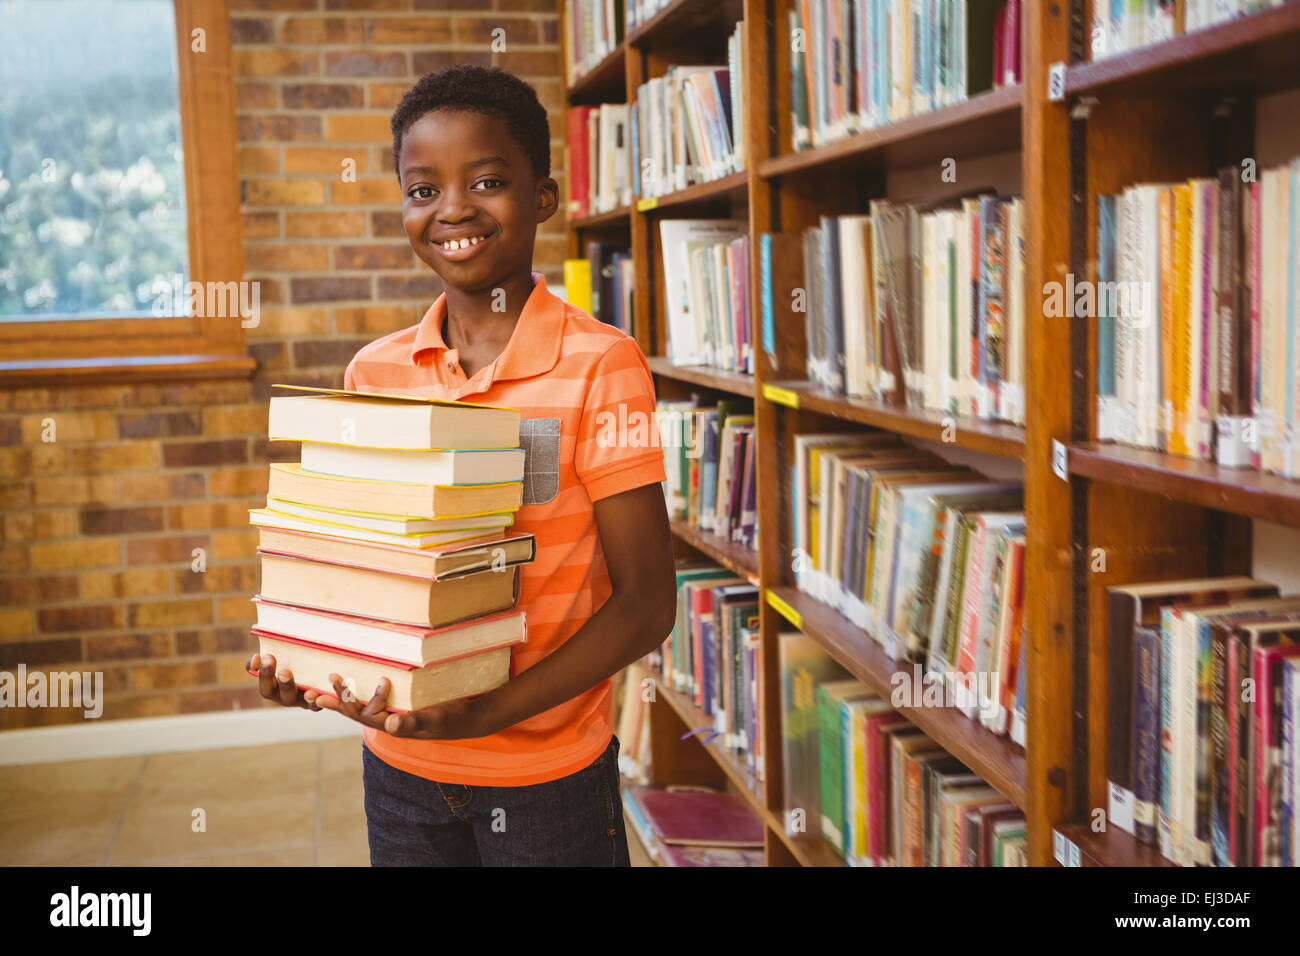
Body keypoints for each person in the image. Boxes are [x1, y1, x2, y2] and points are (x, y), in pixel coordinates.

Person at [248, 64, 677, 866]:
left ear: (543, 198)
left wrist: (490, 713)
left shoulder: (600, 365)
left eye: (487, 180)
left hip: (546, 777)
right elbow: (362, 569)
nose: (452, 210)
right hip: (401, 766)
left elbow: (648, 604)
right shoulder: (374, 373)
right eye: (422, 189)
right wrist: (311, 663)